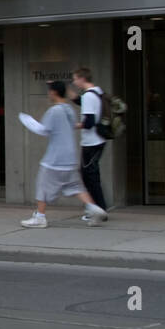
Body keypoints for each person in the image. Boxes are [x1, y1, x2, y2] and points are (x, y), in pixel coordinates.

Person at [18, 80, 108, 228]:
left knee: (42, 185)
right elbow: (71, 126)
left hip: (55, 158)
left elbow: (43, 130)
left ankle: (40, 217)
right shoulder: (69, 109)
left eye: (49, 91)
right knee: (75, 186)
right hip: (70, 156)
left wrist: (27, 120)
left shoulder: (54, 111)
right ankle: (95, 209)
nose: (48, 94)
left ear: (53, 92)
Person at [71, 66, 108, 218]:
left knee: (89, 177)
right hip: (99, 140)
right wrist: (74, 98)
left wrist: (73, 125)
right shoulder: (97, 92)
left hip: (91, 143)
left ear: (82, 79)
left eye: (75, 79)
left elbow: (89, 122)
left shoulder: (88, 96)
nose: (74, 82)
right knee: (92, 176)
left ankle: (96, 210)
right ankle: (100, 208)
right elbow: (90, 107)